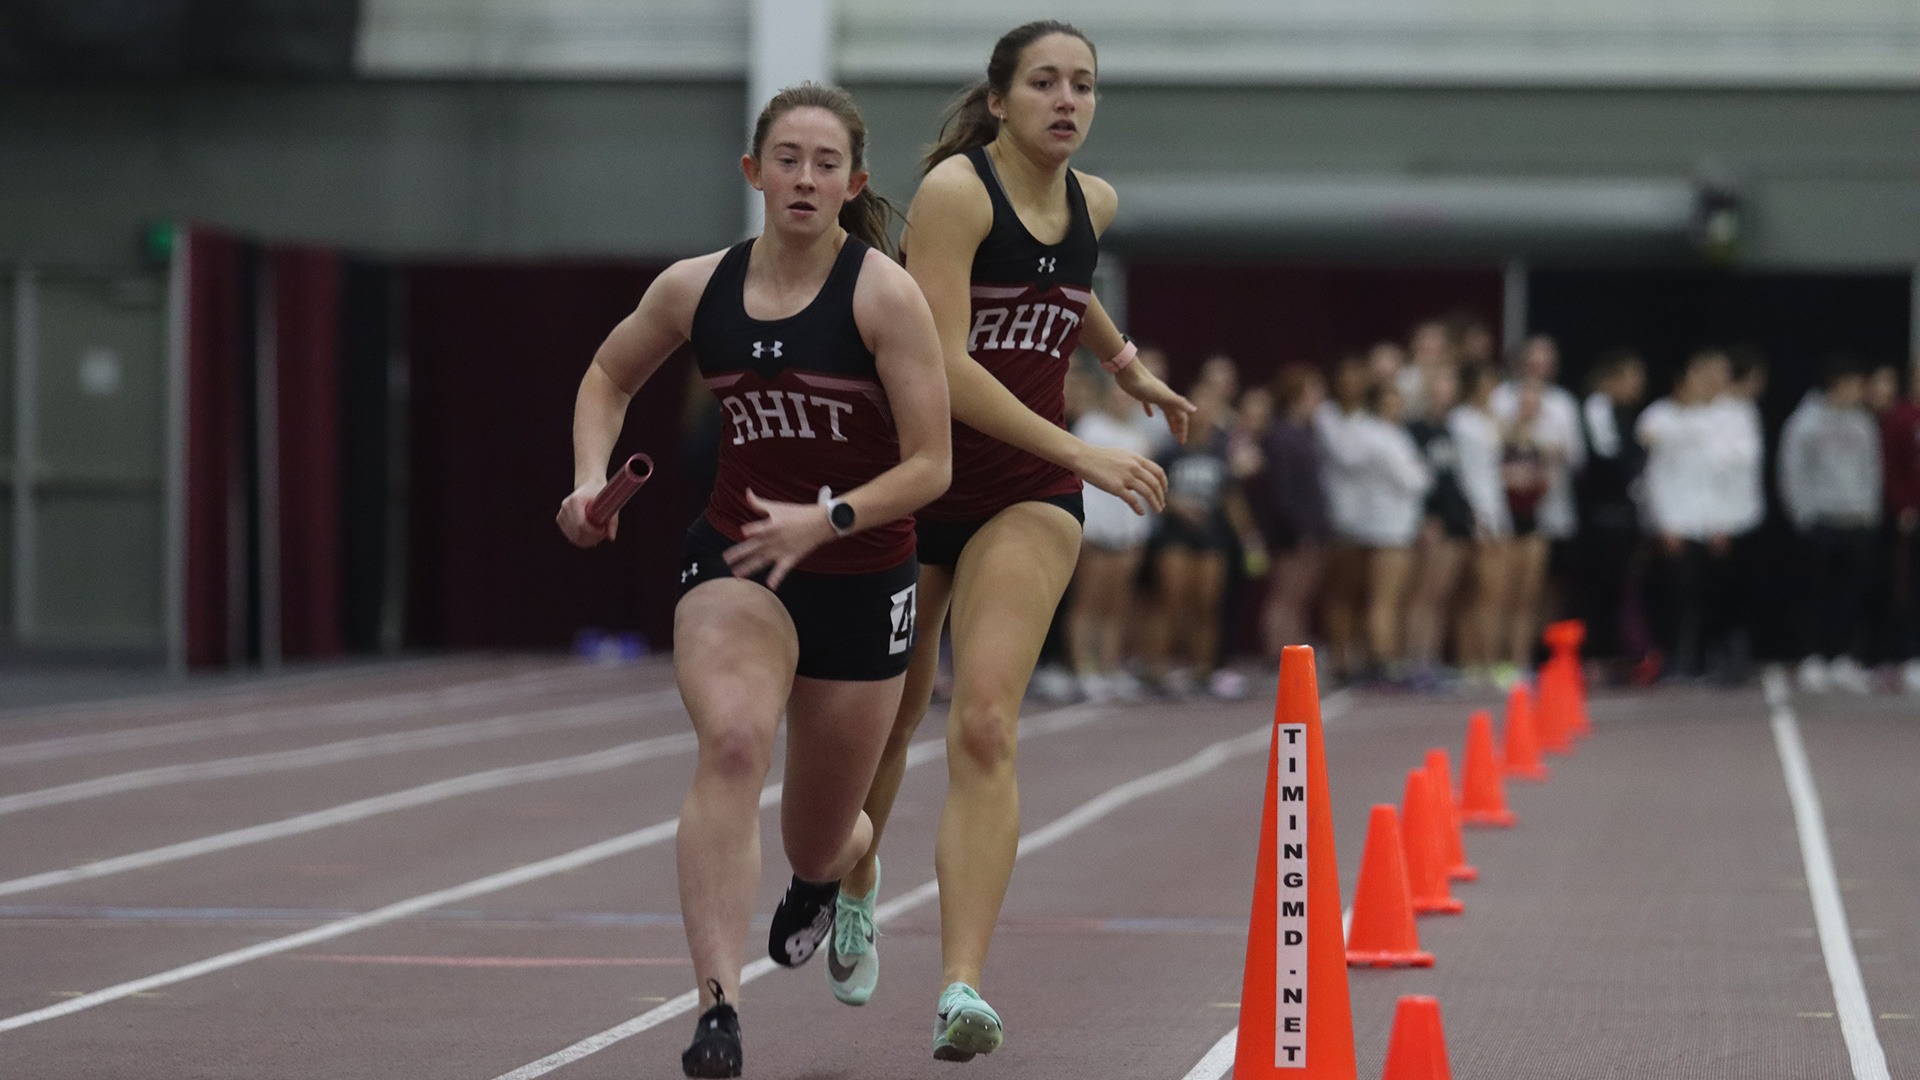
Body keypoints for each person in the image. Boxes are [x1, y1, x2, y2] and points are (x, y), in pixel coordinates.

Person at [554, 84, 952, 1078]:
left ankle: (840, 874)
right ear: (753, 172)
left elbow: (932, 463)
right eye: (787, 158)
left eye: (826, 163)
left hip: (861, 574)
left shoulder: (882, 296)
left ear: (854, 183)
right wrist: (586, 482)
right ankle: (718, 1010)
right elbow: (608, 377)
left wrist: (832, 516)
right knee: (733, 742)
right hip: (737, 558)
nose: (805, 178)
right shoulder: (698, 288)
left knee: (818, 839)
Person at [823, 21, 1193, 1061]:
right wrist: (1084, 452)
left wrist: (1127, 371)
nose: (1066, 100)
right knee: (891, 716)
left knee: (984, 719)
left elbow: (1066, 292)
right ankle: (855, 879)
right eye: (1044, 83)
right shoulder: (956, 195)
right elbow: (944, 365)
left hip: (1024, 494)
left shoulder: (1097, 201)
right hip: (921, 476)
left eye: (1083, 84)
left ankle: (961, 987)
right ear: (1000, 101)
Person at [1636, 350, 1746, 681]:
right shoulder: (1659, 416)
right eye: (1698, 379)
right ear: (1681, 382)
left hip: (1708, 522)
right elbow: (1653, 475)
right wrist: (1664, 523)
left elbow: (1721, 477)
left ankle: (1703, 658)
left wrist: (1722, 522)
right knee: (1673, 596)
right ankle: (1670, 657)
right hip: (1675, 522)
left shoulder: (1718, 420)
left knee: (1708, 596)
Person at [1780, 357, 1882, 694]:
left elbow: (1872, 469)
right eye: (1854, 383)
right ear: (1838, 382)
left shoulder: (1863, 422)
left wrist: (1869, 510)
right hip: (1821, 520)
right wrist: (1802, 514)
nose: (1860, 390)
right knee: (1816, 592)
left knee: (1851, 593)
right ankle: (1813, 658)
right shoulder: (1806, 421)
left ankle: (1842, 658)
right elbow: (1791, 470)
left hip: (1856, 520)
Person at [1490, 334, 1584, 662]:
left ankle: (1531, 655)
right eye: (1533, 360)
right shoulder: (1500, 398)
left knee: (1538, 591)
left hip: (1545, 511)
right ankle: (1493, 657)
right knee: (1500, 590)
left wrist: (1545, 449)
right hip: (1503, 511)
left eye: (1546, 361)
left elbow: (1576, 456)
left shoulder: (1564, 404)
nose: (1539, 368)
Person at [1068, 372, 1154, 701]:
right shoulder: (1090, 427)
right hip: (1096, 528)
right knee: (1088, 602)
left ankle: (1109, 666)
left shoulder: (1139, 436)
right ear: (1108, 396)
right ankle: (1084, 670)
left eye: (1129, 395)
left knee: (1115, 606)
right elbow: (1077, 476)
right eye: (1118, 394)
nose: (1124, 400)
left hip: (1127, 530)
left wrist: (1139, 530)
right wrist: (1084, 525)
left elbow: (1142, 488)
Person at [1343, 381, 1432, 679]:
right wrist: (1419, 471)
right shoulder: (1374, 435)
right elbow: (1415, 480)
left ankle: (1382, 656)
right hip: (1385, 527)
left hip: (1397, 523)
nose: (1398, 405)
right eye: (1391, 399)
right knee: (1384, 598)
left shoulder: (1394, 433)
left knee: (1390, 597)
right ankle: (1381, 660)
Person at [1575, 350, 1647, 674]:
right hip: (1602, 514)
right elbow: (1606, 457)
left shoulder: (1621, 412)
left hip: (1619, 512)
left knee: (1618, 585)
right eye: (1631, 378)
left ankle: (1613, 652)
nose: (1637, 386)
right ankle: (1594, 655)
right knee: (1599, 586)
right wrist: (1636, 464)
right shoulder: (1598, 407)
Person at [1255, 365, 1332, 663]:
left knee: (1300, 598)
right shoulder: (1282, 435)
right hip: (1292, 531)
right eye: (1314, 390)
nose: (1320, 397)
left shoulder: (1304, 433)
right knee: (1285, 595)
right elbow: (1283, 490)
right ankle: (1277, 652)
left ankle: (1294, 653)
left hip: (1309, 526)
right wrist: (1299, 529)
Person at [1403, 362, 1474, 684]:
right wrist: (1425, 516)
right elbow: (1415, 479)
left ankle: (1431, 658)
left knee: (1442, 596)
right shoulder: (1415, 429)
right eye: (1440, 383)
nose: (1446, 389)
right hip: (1434, 522)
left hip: (1455, 520)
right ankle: (1416, 661)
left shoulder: (1451, 429)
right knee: (1425, 594)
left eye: (1450, 383)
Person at [1449, 363, 1512, 681]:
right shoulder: (1461, 420)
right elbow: (1463, 473)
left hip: (1497, 507)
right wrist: (1476, 514)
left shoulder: (1492, 419)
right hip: (1477, 510)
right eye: (1488, 382)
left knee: (1497, 592)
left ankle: (1490, 659)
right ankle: (1473, 661)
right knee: (1480, 590)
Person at [1879, 354, 1920, 693]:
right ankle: (1908, 658)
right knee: (1910, 588)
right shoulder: (1902, 417)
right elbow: (1892, 468)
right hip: (1911, 517)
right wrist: (1904, 505)